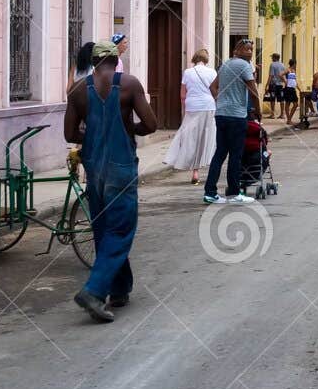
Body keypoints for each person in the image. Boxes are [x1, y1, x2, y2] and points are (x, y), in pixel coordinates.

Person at [64, 41, 157, 321]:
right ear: (116, 60)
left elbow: (70, 134)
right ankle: (93, 291)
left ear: (93, 61)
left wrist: (93, 135)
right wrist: (130, 128)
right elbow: (151, 124)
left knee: (105, 228)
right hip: (121, 167)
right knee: (120, 230)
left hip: (95, 168)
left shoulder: (78, 91)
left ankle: (119, 289)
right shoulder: (129, 84)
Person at [203, 39, 258, 205]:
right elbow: (253, 91)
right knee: (236, 155)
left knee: (220, 153)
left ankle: (210, 193)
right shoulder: (245, 66)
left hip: (221, 115)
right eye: (246, 49)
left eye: (251, 50)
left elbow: (212, 87)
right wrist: (258, 111)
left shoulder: (225, 64)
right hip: (237, 117)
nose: (250, 52)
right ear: (237, 50)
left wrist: (219, 100)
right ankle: (234, 193)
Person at [164, 49, 217, 183]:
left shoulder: (188, 72)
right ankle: (199, 168)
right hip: (208, 106)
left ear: (194, 58)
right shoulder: (212, 72)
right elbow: (217, 91)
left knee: (189, 137)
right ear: (206, 59)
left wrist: (184, 111)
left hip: (192, 106)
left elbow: (183, 95)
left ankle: (188, 166)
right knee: (205, 137)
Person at [282, 60, 299, 125]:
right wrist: (285, 81)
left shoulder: (294, 71)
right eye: (295, 64)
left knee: (295, 104)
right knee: (287, 103)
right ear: (294, 64)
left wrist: (299, 88)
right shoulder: (288, 70)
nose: (296, 65)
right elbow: (280, 74)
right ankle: (289, 120)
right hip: (288, 88)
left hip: (293, 89)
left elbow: (294, 81)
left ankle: (289, 119)